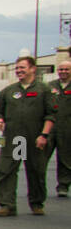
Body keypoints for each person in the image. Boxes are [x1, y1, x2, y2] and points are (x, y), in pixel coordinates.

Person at [0, 55, 57, 216]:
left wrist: (44, 135)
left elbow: (51, 115)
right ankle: (7, 205)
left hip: (35, 139)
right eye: (17, 68)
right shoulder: (9, 91)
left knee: (36, 171)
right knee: (6, 170)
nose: (19, 71)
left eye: (22, 67)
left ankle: (36, 203)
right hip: (15, 140)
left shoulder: (44, 90)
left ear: (33, 69)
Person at [48, 58, 71, 198]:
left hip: (67, 128)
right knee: (41, 158)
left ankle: (63, 185)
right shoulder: (50, 86)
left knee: (65, 159)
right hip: (50, 128)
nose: (63, 72)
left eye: (66, 69)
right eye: (61, 69)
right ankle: (37, 187)